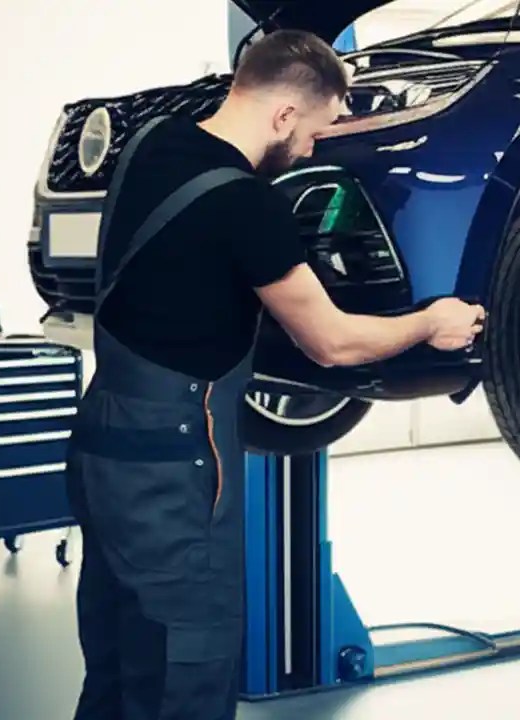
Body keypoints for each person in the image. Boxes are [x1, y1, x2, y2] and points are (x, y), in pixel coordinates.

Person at [64, 29, 485, 720]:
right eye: (316, 131)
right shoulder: (247, 205)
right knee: (183, 672)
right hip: (175, 462)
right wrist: (428, 324)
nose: (315, 150)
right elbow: (331, 343)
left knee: (115, 665)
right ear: (284, 115)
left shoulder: (152, 143)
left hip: (102, 440)